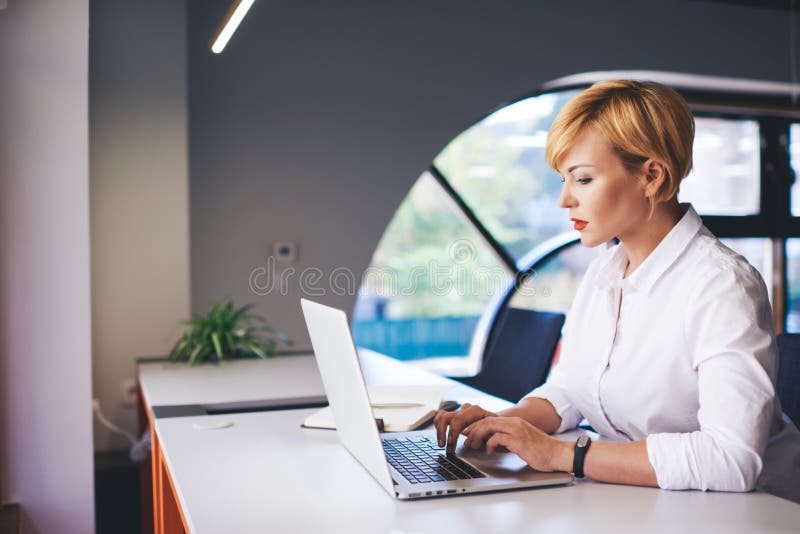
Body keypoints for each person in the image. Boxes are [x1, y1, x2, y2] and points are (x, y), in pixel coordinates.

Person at [434, 80, 800, 502]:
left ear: (651, 175)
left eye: (583, 179)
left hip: (756, 508)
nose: (564, 200)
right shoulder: (605, 271)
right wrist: (503, 423)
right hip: (655, 500)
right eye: (563, 180)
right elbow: (571, 390)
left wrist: (562, 454)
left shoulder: (721, 285)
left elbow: (731, 457)